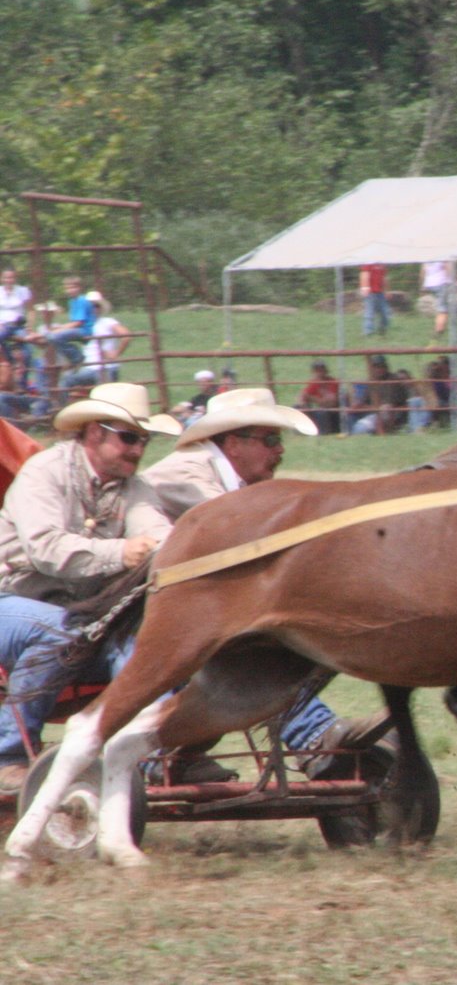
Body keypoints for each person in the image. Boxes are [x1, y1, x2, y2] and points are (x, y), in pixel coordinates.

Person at [141, 387, 383, 771]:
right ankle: (315, 736)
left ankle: (312, 737)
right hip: (138, 609)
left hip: (184, 605)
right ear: (234, 443)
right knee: (258, 646)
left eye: (279, 440)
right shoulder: (184, 474)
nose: (279, 450)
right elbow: (241, 534)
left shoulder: (236, 482)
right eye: (271, 439)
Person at [0, 383, 179, 792]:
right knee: (58, 631)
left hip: (87, 615)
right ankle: (6, 757)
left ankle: (152, 761)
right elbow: (47, 548)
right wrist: (122, 553)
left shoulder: (136, 489)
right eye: (129, 438)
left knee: (145, 645)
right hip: (12, 601)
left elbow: (157, 533)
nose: (138, 450)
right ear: (95, 433)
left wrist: (170, 550)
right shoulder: (45, 472)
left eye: (143, 440)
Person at [63, 292, 130, 388]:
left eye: (96, 306)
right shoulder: (83, 326)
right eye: (90, 306)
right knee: (67, 379)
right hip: (90, 368)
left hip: (106, 367)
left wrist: (116, 354)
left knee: (104, 395)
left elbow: (126, 335)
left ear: (101, 308)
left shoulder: (108, 322)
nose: (93, 308)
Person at [349, 354, 408, 435]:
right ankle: (348, 433)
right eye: (376, 367)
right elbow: (365, 400)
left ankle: (379, 433)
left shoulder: (393, 380)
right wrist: (358, 404)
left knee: (361, 428)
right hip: (373, 412)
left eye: (381, 366)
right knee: (351, 411)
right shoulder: (372, 381)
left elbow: (388, 405)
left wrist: (369, 407)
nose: (378, 369)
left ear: (386, 367)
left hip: (392, 413)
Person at [293, 360, 341, 435]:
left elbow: (332, 403)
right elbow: (303, 396)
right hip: (321, 409)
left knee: (321, 411)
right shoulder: (314, 383)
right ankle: (301, 431)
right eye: (317, 370)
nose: (319, 372)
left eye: (321, 369)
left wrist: (313, 399)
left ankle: (322, 432)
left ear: (326, 371)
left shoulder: (333, 382)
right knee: (297, 408)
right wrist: (303, 404)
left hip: (333, 413)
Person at [420, 259, 454, 343]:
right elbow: (447, 267)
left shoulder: (428, 255)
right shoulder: (444, 254)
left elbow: (423, 271)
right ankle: (439, 330)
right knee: (443, 309)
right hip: (441, 282)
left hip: (429, 283)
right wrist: (450, 280)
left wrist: (422, 285)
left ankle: (440, 326)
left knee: (440, 306)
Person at [358, 262, 390, 337]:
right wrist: (364, 287)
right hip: (370, 293)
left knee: (385, 313)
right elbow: (364, 275)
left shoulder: (382, 264)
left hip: (380, 293)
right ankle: (368, 332)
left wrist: (387, 290)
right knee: (369, 313)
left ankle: (382, 330)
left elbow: (385, 277)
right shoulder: (368, 263)